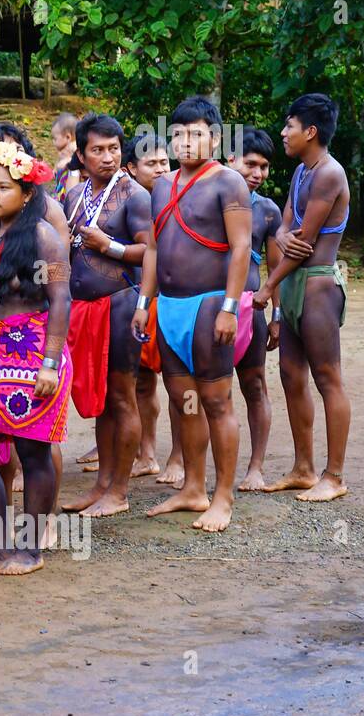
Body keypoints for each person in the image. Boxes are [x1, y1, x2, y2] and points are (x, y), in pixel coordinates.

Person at [133, 96, 252, 533]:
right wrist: (145, 304)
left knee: (216, 401)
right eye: (178, 133)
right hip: (169, 307)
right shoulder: (161, 185)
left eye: (196, 133)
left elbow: (241, 248)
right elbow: (152, 248)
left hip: (209, 304)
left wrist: (228, 308)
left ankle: (224, 496)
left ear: (216, 138)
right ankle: (193, 487)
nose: (186, 141)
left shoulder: (229, 183)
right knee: (183, 402)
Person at [0, 143, 72, 575]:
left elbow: (61, 300)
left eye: (5, 187)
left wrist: (51, 363)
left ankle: (31, 551)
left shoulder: (43, 237)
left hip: (32, 352)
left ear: (26, 193)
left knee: (34, 452)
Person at [253, 93, 350, 502]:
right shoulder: (300, 173)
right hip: (295, 284)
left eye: (289, 125)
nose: (283, 133)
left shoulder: (329, 173)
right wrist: (282, 239)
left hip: (318, 287)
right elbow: (283, 230)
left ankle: (335, 475)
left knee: (327, 378)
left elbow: (303, 242)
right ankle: (303, 468)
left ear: (310, 131)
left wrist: (268, 285)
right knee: (291, 376)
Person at [60, 114, 152, 517]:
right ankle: (100, 486)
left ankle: (120, 491)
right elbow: (63, 256)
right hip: (81, 308)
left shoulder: (134, 195)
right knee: (100, 400)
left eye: (114, 148)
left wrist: (110, 246)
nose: (108, 157)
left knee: (121, 397)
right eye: (97, 150)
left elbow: (151, 252)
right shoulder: (73, 195)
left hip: (120, 305)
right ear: (81, 154)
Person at [227, 128, 283, 493]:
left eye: (264, 166)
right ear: (230, 159)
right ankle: (187, 466)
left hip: (251, 311)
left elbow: (276, 267)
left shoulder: (267, 210)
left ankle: (256, 468)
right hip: (206, 308)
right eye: (251, 163)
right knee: (199, 393)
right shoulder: (204, 199)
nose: (258, 173)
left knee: (254, 385)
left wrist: (276, 315)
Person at [121, 137, 180, 481]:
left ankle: (178, 456)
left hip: (171, 298)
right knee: (141, 383)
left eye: (164, 163)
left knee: (178, 382)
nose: (160, 169)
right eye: (151, 164)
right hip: (138, 299)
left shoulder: (177, 197)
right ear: (132, 168)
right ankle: (146, 453)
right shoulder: (129, 200)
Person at [50, 112, 80, 203]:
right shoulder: (64, 150)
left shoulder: (74, 147)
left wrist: (68, 161)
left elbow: (78, 161)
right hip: (61, 189)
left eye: (55, 138)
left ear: (68, 137)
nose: (53, 142)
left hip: (70, 191)